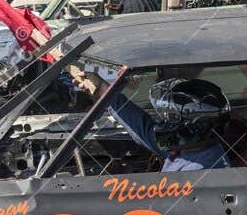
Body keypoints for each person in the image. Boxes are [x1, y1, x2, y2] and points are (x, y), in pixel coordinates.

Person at [69, 67, 231, 171]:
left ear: (194, 127)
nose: (162, 124)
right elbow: (141, 125)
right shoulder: (191, 147)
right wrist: (103, 90)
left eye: (170, 119)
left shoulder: (199, 170)